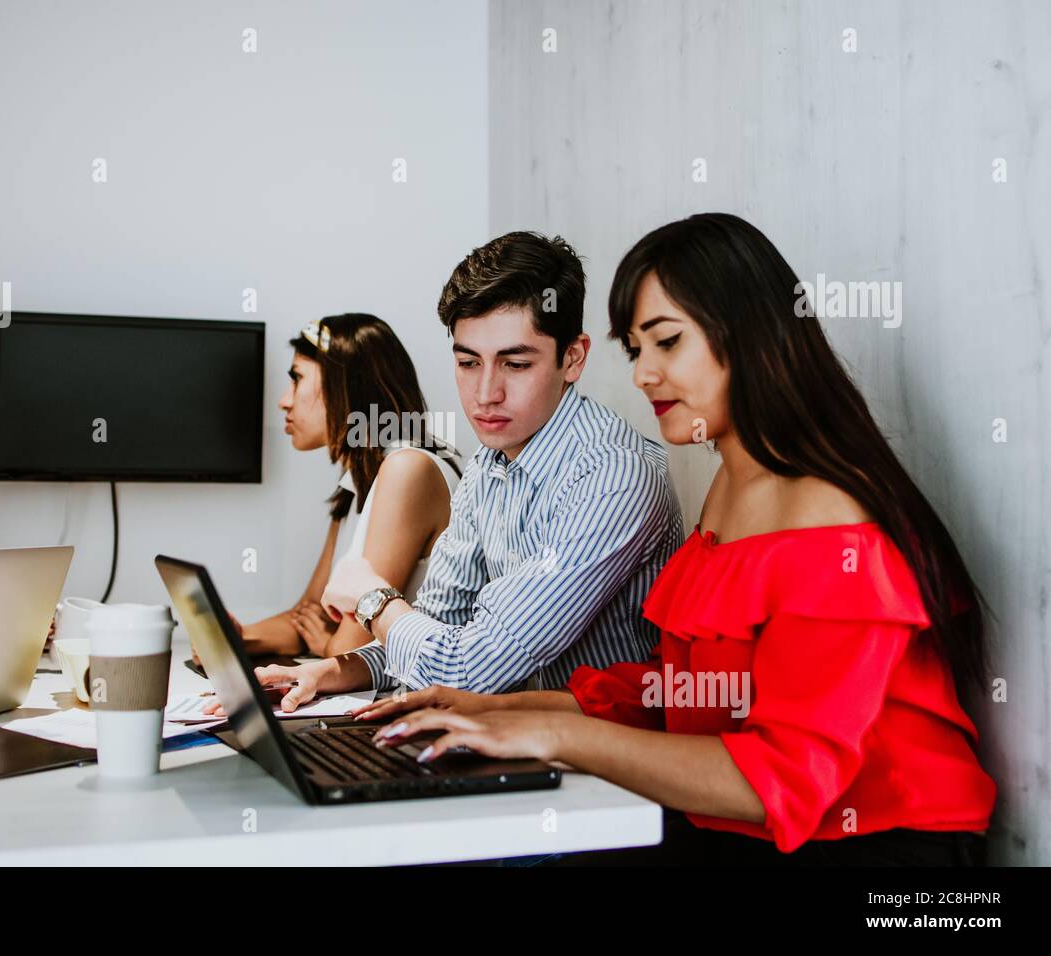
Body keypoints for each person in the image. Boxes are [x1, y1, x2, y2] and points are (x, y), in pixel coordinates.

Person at [356, 213, 996, 865]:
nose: (644, 375)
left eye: (667, 343)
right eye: (638, 350)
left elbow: (777, 779)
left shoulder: (832, 513)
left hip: (879, 850)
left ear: (747, 337)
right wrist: (500, 709)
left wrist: (547, 732)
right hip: (740, 823)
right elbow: (687, 692)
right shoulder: (732, 485)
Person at [230, 232, 682, 712]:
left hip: (599, 764)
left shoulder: (612, 476)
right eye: (468, 362)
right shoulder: (490, 464)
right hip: (511, 740)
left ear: (572, 358)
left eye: (515, 363)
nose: (486, 393)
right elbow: (437, 627)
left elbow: (471, 669)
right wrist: (333, 671)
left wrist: (372, 598)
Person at [229, 313, 463, 661]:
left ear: (345, 387)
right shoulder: (359, 479)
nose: (284, 400)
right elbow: (309, 615)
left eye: (297, 379)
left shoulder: (407, 470)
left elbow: (353, 646)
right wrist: (237, 640)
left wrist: (328, 643)